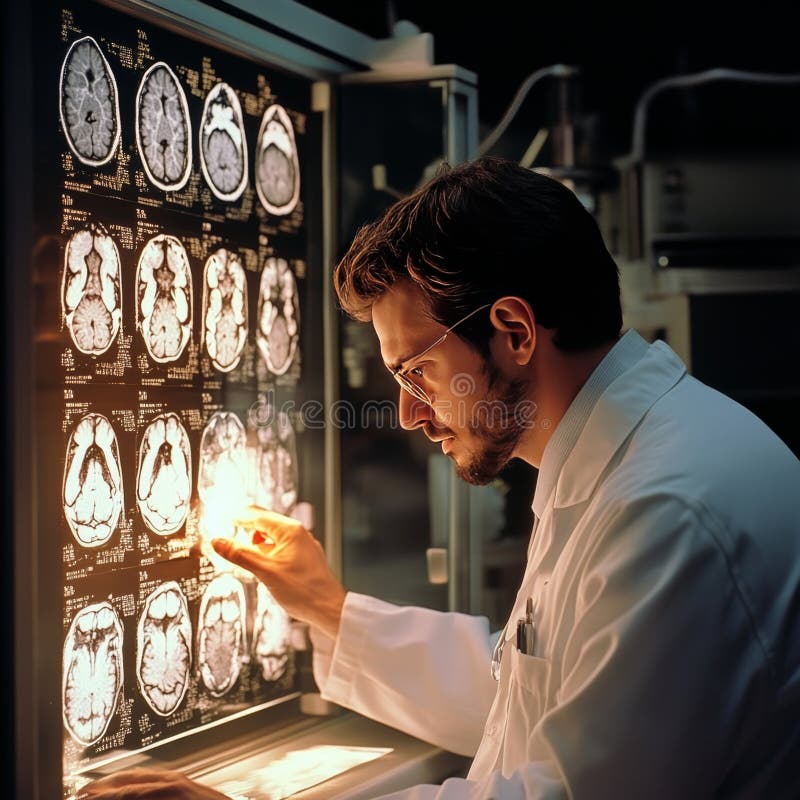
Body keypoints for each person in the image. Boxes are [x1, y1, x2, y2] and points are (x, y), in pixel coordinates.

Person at [82, 156, 800, 799]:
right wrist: (327, 607)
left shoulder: (665, 510)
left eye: (417, 371)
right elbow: (532, 690)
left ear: (515, 332)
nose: (409, 414)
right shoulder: (632, 459)